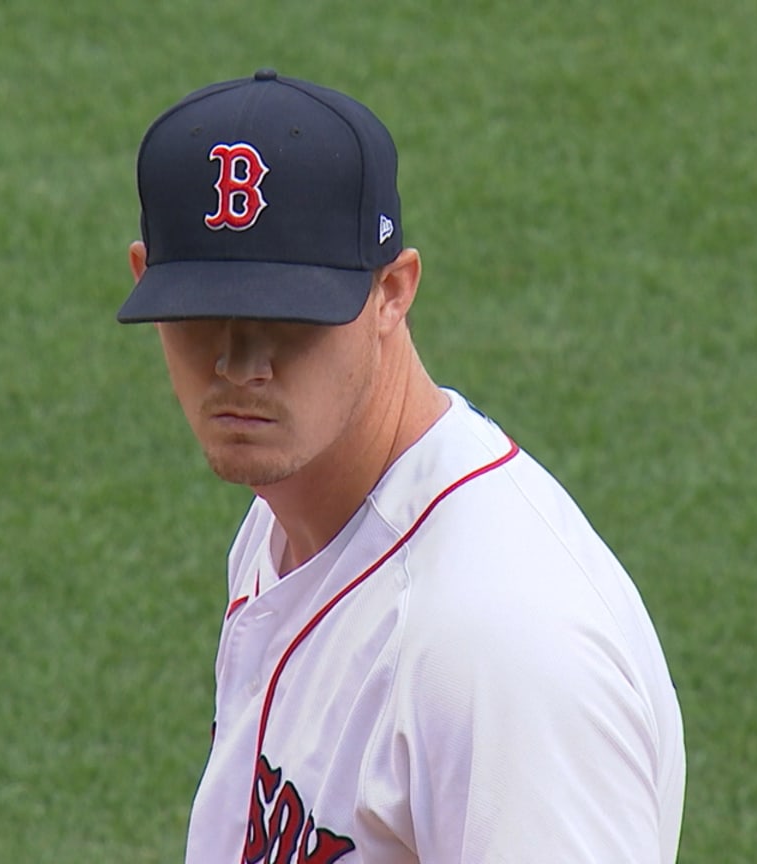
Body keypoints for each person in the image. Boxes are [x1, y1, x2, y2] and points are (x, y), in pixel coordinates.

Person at [117, 69, 685, 864]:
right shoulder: (285, 516)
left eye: (289, 316)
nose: (240, 363)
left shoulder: (502, 647)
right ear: (146, 281)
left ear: (392, 292)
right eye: (203, 312)